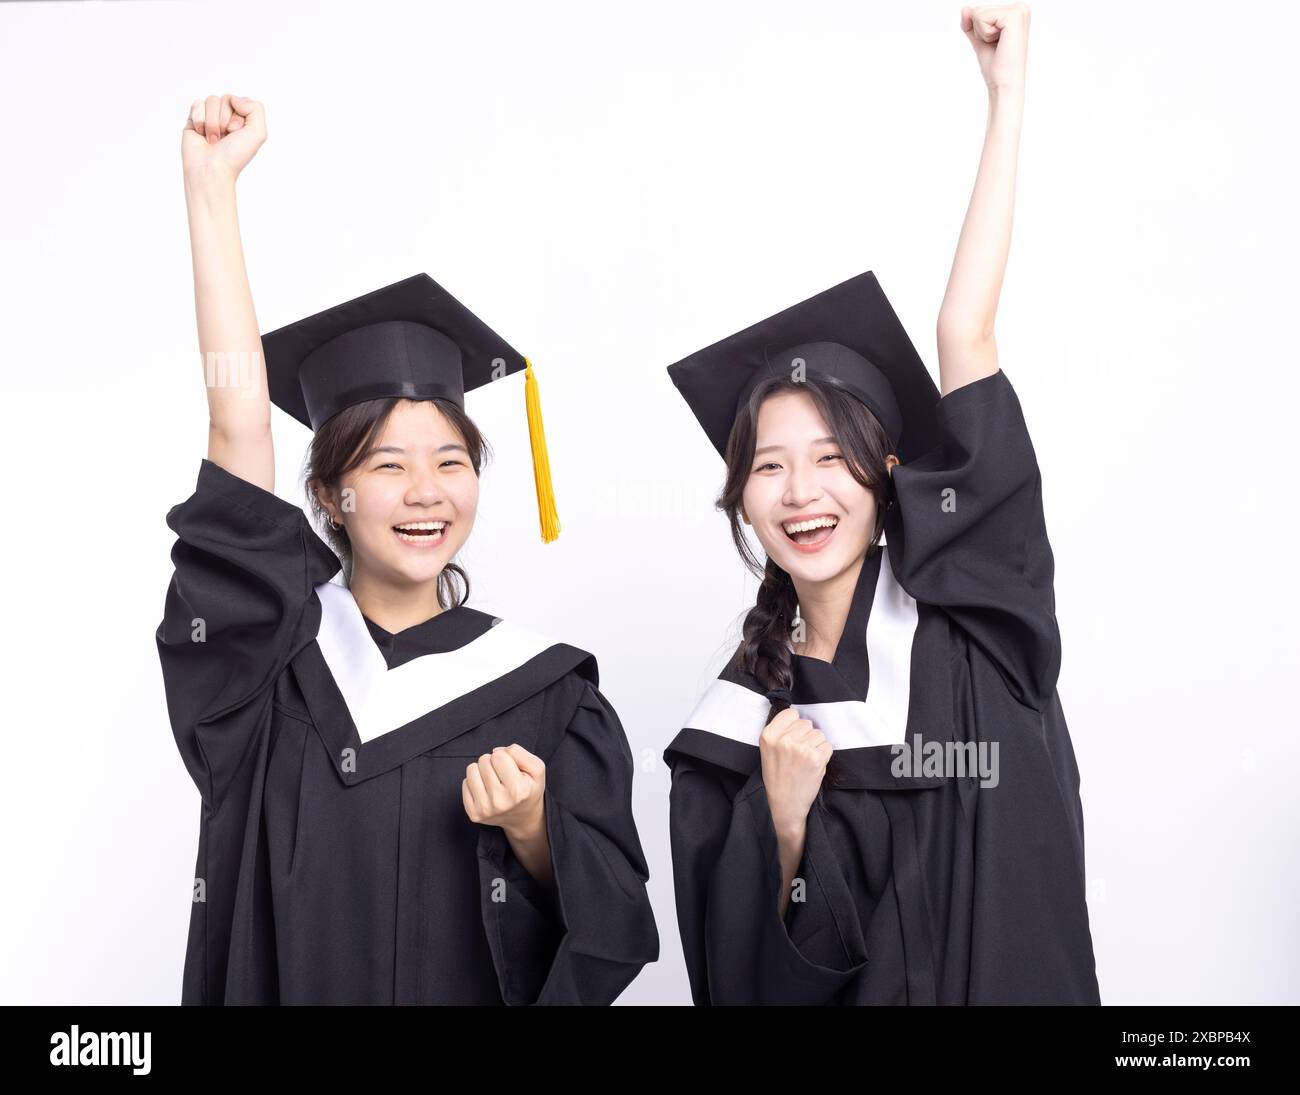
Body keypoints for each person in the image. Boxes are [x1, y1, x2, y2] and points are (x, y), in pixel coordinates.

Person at [157, 93, 657, 1005]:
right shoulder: (269, 671)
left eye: (451, 461)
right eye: (387, 465)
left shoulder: (545, 694)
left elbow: (615, 924)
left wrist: (536, 827)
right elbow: (237, 426)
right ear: (328, 496)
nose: (426, 492)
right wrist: (211, 195)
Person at [661, 4, 1100, 1005]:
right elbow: (741, 982)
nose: (802, 491)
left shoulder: (978, 618)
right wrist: (781, 825)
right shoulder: (745, 725)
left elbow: (965, 333)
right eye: (769, 467)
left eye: (831, 458)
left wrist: (1005, 98)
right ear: (741, 496)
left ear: (887, 473)